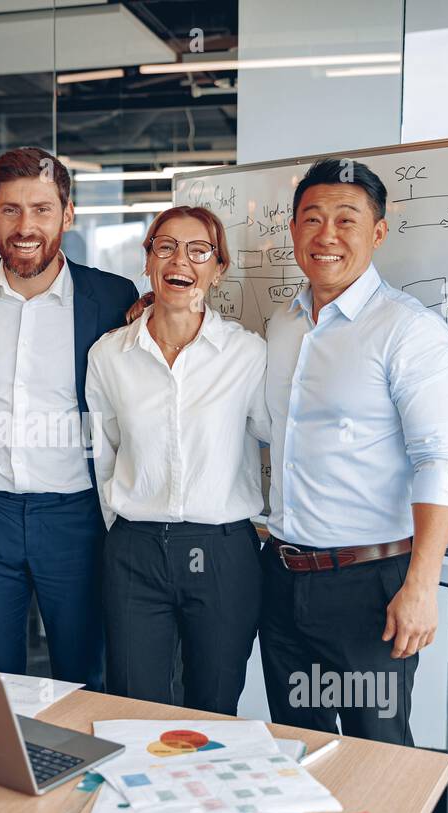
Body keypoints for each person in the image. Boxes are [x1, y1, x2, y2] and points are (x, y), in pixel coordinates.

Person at [259, 157, 448, 745]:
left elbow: (440, 460)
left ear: (377, 232)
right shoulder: (283, 324)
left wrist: (421, 588)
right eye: (312, 218)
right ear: (294, 229)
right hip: (283, 577)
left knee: (377, 757)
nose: (326, 235)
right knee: (298, 746)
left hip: (370, 586)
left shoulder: (408, 331)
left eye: (345, 220)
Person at [0, 147, 137, 690]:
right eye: (10, 210)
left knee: (83, 677)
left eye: (41, 209)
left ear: (67, 215)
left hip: (75, 519)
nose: (25, 226)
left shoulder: (110, 297)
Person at [86, 206, 268, 714]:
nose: (179, 259)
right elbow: (104, 451)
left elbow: (276, 437)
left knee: (214, 705)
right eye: (164, 246)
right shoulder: (108, 356)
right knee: (135, 706)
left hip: (223, 551)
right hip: (135, 551)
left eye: (198, 250)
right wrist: (120, 527)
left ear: (218, 268)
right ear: (147, 262)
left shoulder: (248, 355)